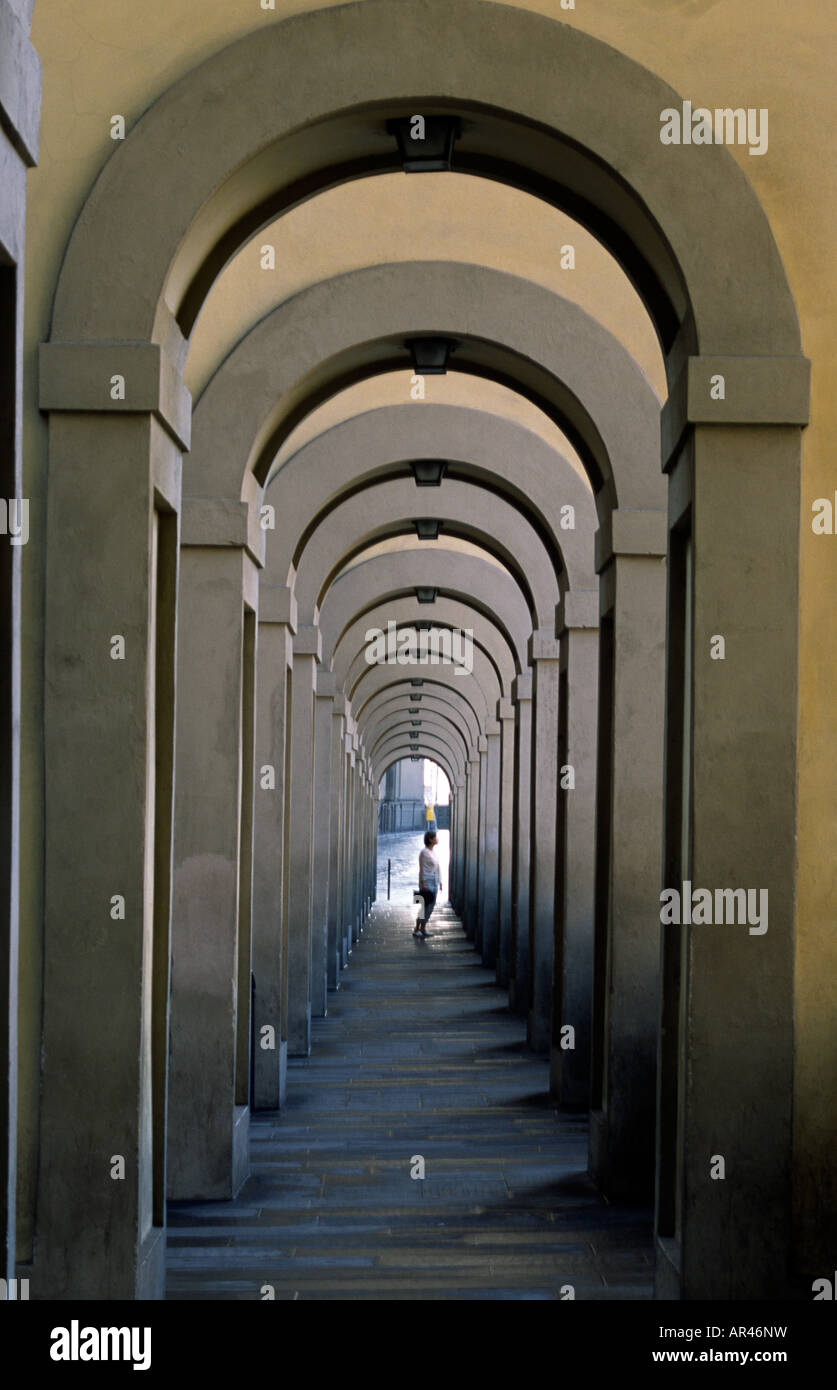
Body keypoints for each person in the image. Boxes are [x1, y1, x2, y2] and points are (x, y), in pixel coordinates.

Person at [413, 829, 442, 938]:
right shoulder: (424, 852)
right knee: (424, 906)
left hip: (434, 882)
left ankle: (423, 928)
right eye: (435, 837)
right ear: (430, 839)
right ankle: (417, 929)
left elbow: (437, 868)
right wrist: (423, 884)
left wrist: (440, 882)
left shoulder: (433, 852)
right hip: (426, 882)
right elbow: (423, 869)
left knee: (430, 906)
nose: (437, 839)